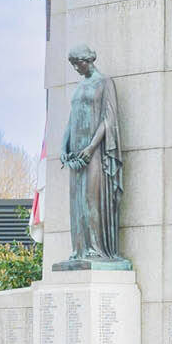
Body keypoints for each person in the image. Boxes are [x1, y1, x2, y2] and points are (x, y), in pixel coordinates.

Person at [59, 44, 125, 262]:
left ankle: (96, 249)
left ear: (87, 60)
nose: (76, 69)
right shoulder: (79, 87)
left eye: (77, 64)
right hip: (75, 153)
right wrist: (63, 146)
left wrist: (91, 147)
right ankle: (80, 250)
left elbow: (109, 119)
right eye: (73, 65)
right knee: (76, 202)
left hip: (94, 153)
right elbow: (72, 118)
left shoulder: (104, 82)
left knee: (91, 199)